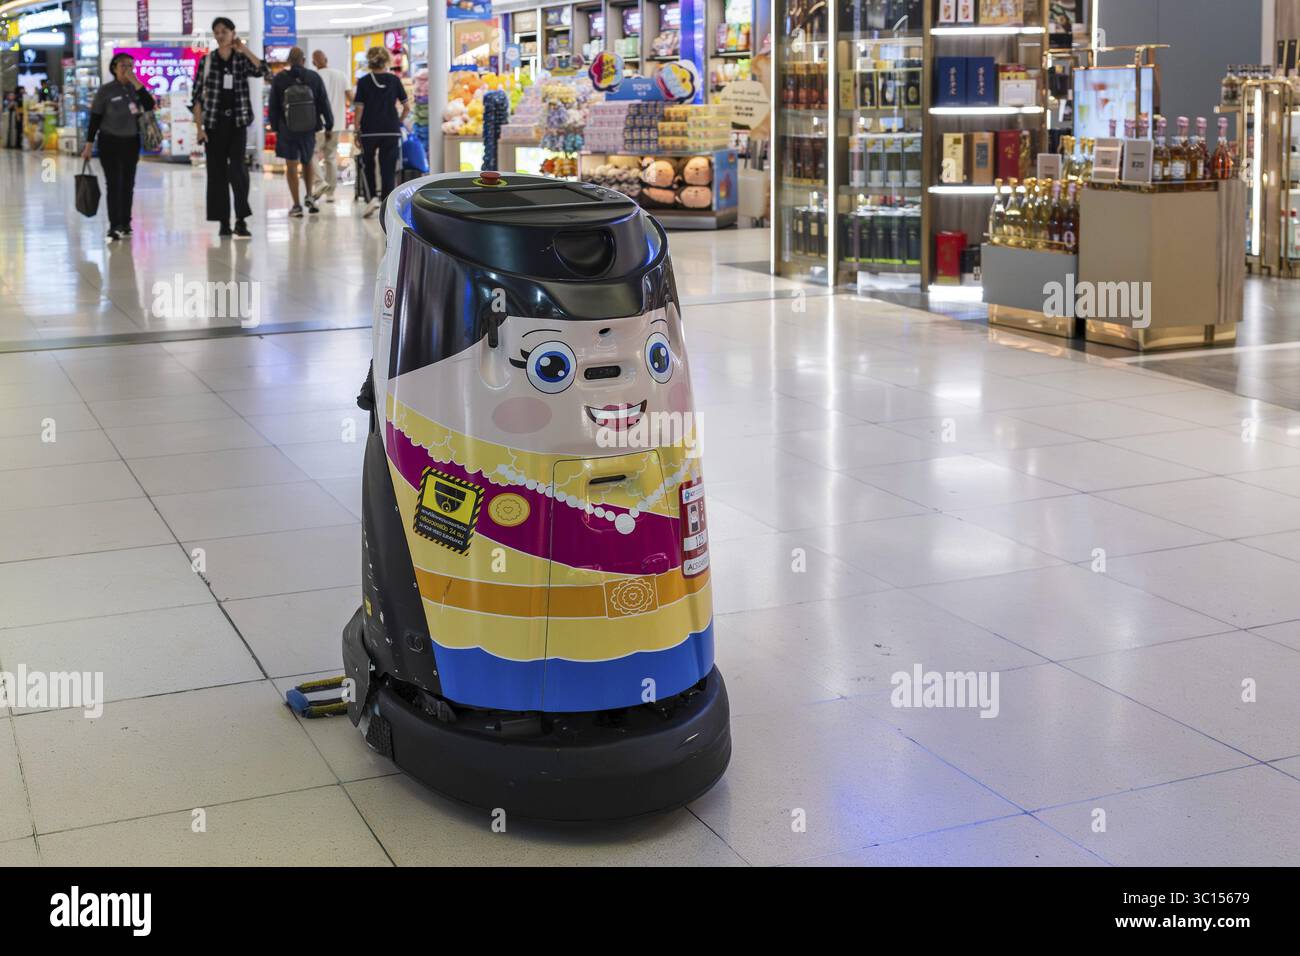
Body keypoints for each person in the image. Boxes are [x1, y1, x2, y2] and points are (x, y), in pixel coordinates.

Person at [190, 17, 269, 239]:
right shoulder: (207, 62)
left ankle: (241, 220)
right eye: (216, 32)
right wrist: (200, 128)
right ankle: (223, 221)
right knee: (216, 174)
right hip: (214, 125)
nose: (220, 35)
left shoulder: (241, 60)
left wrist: (244, 49)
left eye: (224, 31)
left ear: (233, 33)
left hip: (237, 124)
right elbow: (196, 98)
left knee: (239, 172)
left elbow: (263, 70)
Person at [82, 52, 155, 241]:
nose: (127, 69)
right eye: (123, 65)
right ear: (114, 68)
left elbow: (149, 104)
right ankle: (114, 225)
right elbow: (95, 118)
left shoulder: (135, 89)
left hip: (131, 141)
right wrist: (88, 145)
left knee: (128, 183)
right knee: (114, 183)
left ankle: (126, 222)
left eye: (131, 65)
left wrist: (137, 82)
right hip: (110, 142)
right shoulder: (106, 91)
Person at [268, 47, 333, 217]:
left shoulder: (280, 79)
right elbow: (323, 102)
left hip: (287, 129)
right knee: (307, 162)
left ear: (289, 61)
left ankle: (296, 205)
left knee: (291, 165)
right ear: (303, 60)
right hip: (309, 128)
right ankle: (310, 197)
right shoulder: (313, 77)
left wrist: (275, 127)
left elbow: (273, 106)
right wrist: (329, 125)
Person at [352, 45, 408, 218]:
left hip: (369, 130)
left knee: (368, 163)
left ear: (369, 61)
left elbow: (359, 109)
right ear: (386, 60)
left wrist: (356, 129)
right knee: (388, 167)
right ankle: (387, 205)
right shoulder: (394, 80)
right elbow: (406, 107)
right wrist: (397, 121)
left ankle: (372, 199)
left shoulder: (363, 82)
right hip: (391, 130)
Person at [310, 50, 349, 202]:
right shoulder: (341, 75)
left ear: (313, 63)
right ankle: (331, 193)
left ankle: (320, 181)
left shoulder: (314, 77)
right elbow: (351, 98)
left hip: (318, 124)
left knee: (312, 154)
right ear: (326, 58)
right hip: (337, 123)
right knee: (330, 157)